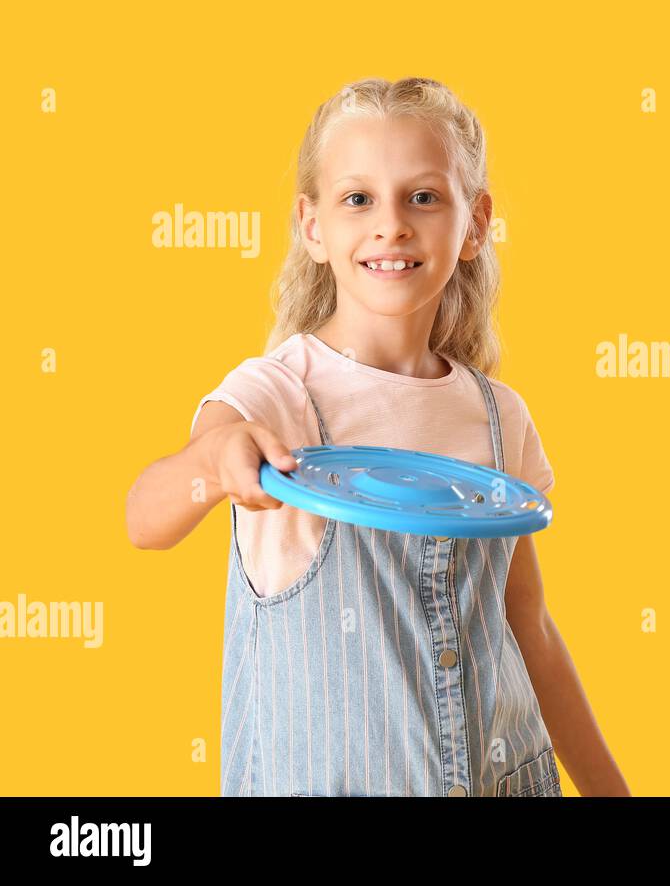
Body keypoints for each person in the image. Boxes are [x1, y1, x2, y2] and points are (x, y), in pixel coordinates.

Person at [126, 77, 630, 797]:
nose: (391, 224)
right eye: (357, 198)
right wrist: (213, 460)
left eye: (422, 197)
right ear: (312, 226)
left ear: (476, 223)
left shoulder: (498, 416)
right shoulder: (276, 394)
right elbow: (144, 518)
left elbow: (528, 624)